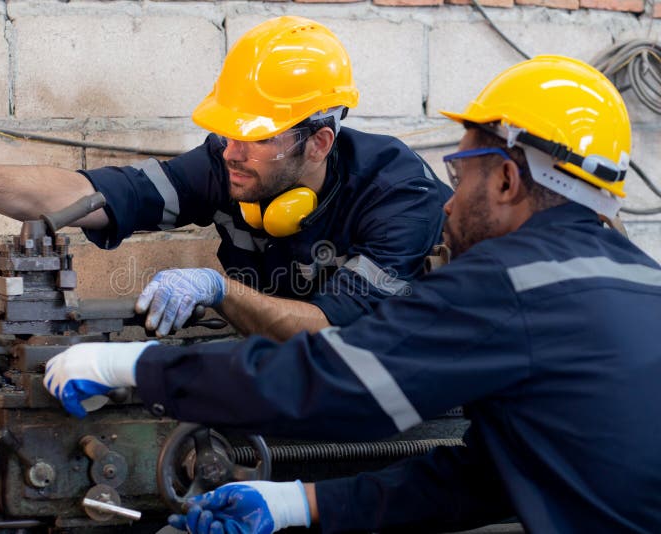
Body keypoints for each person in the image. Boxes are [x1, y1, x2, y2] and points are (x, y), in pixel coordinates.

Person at [42, 55, 661, 533]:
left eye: (460, 172)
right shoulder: (640, 279)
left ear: (505, 178)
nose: (448, 200)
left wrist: (131, 365)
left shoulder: (510, 283)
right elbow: (493, 478)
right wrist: (296, 503)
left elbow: (337, 380)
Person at [0, 16, 450, 341]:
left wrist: (218, 289)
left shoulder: (400, 196)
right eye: (228, 133)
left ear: (318, 142)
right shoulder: (229, 164)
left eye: (255, 136)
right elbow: (92, 196)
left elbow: (326, 333)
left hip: (409, 397)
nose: (231, 151)